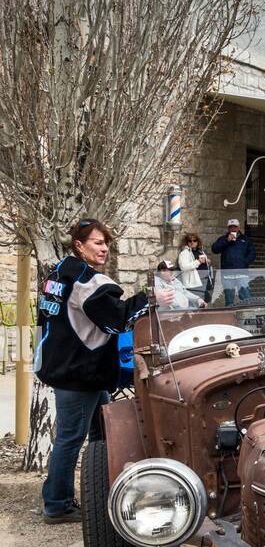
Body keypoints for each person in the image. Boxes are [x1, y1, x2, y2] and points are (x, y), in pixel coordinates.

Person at [35, 217, 175, 523]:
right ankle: (57, 504)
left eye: (106, 243)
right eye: (98, 243)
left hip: (71, 368)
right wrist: (151, 299)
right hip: (80, 373)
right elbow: (117, 320)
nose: (104, 249)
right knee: (71, 438)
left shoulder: (57, 273)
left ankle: (104, 492)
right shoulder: (87, 281)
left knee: (104, 434)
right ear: (79, 245)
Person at [212, 217, 256, 306]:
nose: (233, 229)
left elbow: (252, 253)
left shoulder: (246, 239)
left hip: (242, 272)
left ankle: (247, 316)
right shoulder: (223, 238)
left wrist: (245, 262)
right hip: (227, 273)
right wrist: (227, 240)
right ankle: (230, 317)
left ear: (238, 228)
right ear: (228, 228)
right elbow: (215, 249)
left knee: (246, 297)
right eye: (231, 227)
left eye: (235, 227)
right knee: (229, 300)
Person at [178, 231, 212, 302]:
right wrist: (198, 261)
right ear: (187, 242)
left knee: (205, 301)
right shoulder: (184, 253)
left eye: (194, 240)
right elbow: (183, 267)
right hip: (194, 284)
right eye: (190, 241)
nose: (192, 242)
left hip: (203, 281)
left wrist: (207, 261)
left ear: (197, 241)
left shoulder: (200, 251)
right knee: (197, 304)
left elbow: (203, 263)